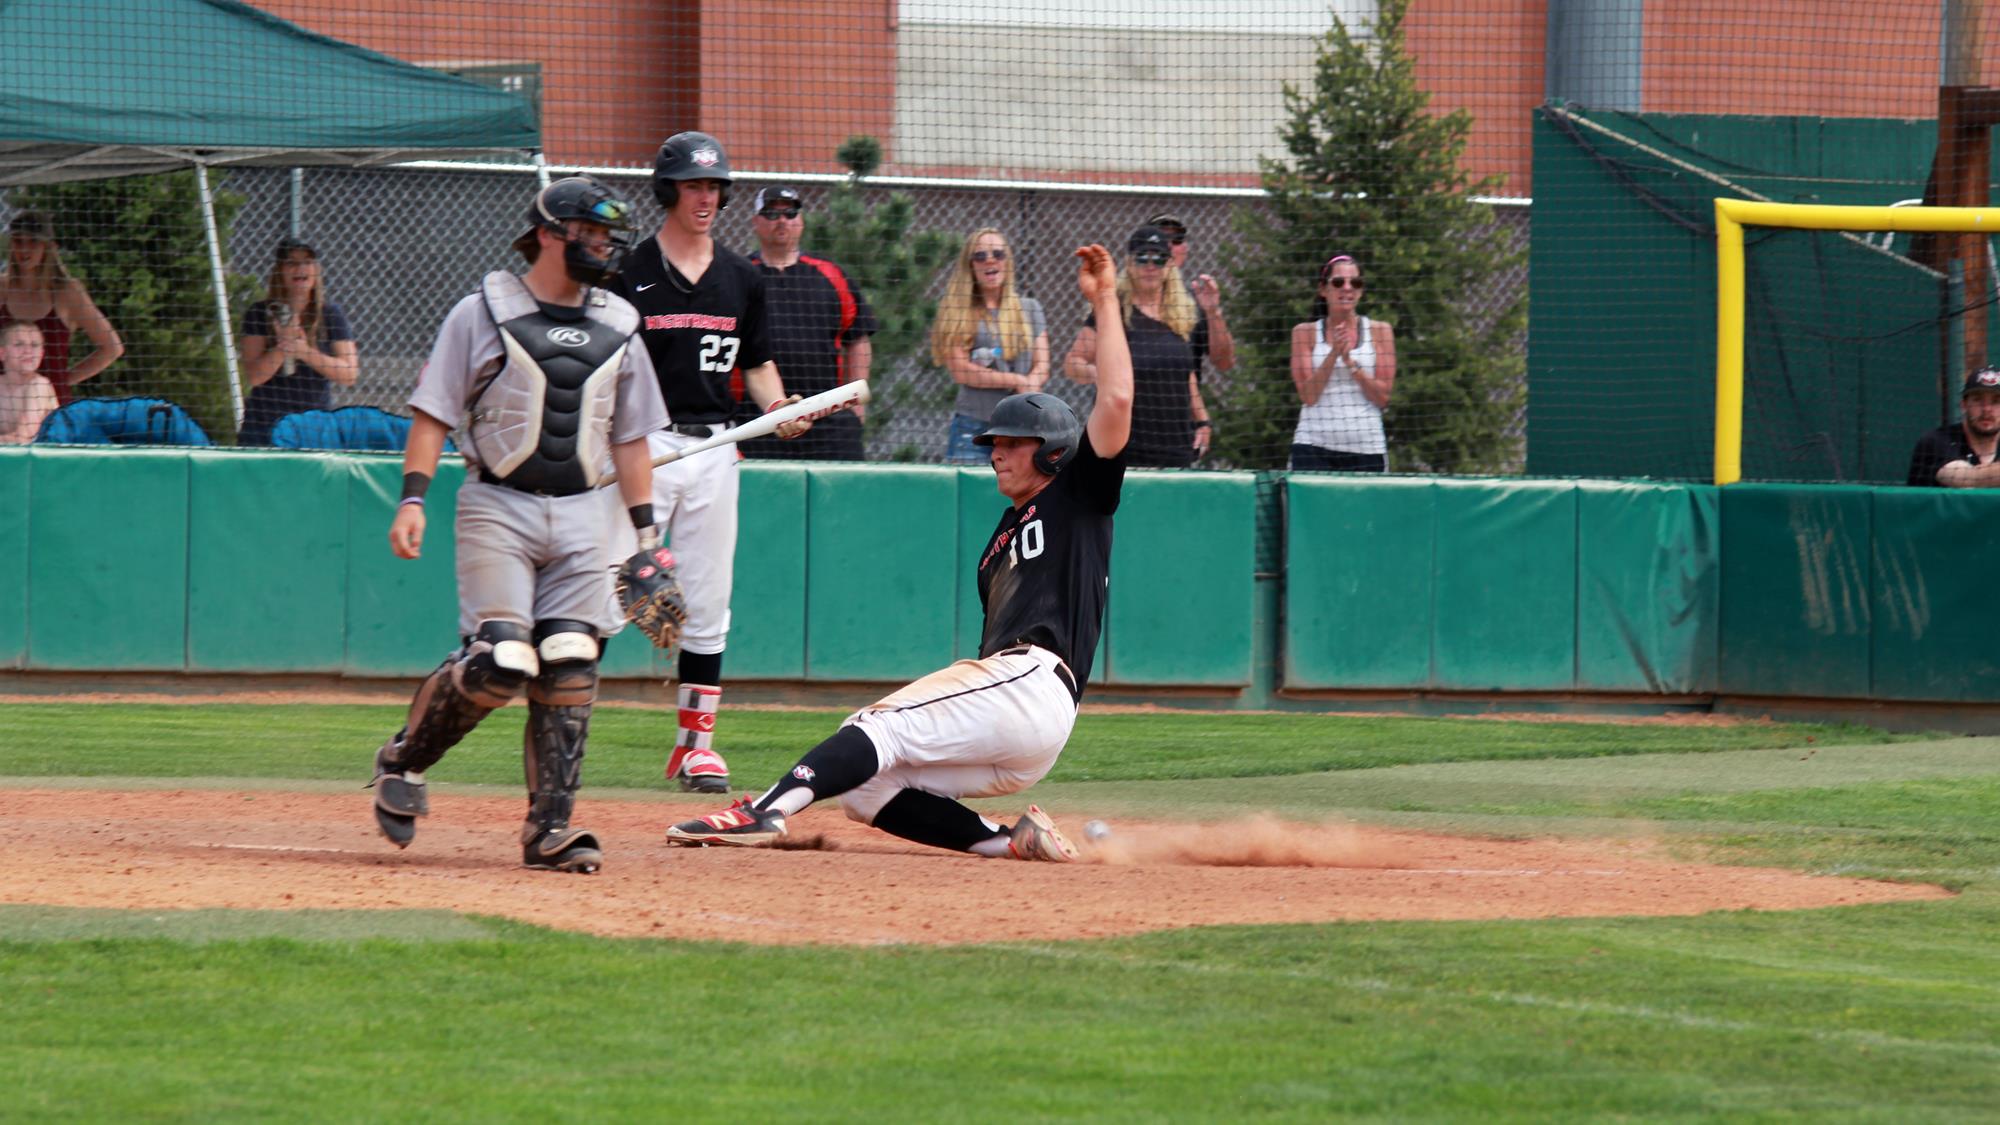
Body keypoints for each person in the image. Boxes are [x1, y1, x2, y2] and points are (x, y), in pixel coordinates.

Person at [664, 243, 1133, 862]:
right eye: (993, 440)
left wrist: (1103, 298)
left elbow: (1118, 400)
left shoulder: (1079, 496)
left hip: (1031, 682)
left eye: (1013, 442)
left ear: (1052, 450)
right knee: (869, 786)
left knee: (874, 728)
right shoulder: (998, 544)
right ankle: (1010, 842)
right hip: (1020, 716)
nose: (996, 450)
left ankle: (764, 811)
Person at [366, 176, 668, 874]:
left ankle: (551, 829)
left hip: (586, 512)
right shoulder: (482, 312)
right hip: (498, 505)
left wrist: (648, 538)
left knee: (570, 657)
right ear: (548, 234)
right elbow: (433, 414)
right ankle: (404, 758)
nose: (602, 246)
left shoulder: (621, 323)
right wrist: (412, 500)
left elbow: (630, 441)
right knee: (501, 661)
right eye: (589, 233)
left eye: (607, 235)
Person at [609, 131, 812, 795]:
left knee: (707, 601)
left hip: (717, 446)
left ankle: (695, 747)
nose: (706, 196)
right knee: (611, 594)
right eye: (694, 185)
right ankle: (567, 727)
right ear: (668, 189)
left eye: (714, 186)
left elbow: (755, 364)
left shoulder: (740, 278)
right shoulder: (629, 273)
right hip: (644, 445)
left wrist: (779, 406)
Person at [739, 185, 877, 461]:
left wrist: (854, 406)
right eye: (771, 213)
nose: (782, 220)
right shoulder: (740, 275)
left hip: (828, 420)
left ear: (800, 221)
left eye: (790, 213)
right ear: (756, 221)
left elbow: (858, 338)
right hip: (756, 420)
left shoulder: (831, 274)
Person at [1063, 226, 1211, 468]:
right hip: (1125, 444)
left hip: (1176, 445)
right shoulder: (1114, 312)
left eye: (1159, 259)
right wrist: (1102, 375)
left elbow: (1186, 375)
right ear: (1130, 265)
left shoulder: (1182, 314)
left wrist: (1203, 422)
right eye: (1142, 258)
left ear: (1170, 265)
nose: (1150, 266)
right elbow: (1073, 363)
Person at [932, 227, 1050, 464]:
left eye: (997, 253)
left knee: (1020, 500)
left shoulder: (1029, 308)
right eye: (980, 256)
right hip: (974, 428)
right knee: (969, 498)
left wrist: (1031, 384)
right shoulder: (958, 311)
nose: (990, 260)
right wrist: (1017, 381)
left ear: (1007, 261)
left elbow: (1043, 363)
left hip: (1022, 427)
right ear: (970, 265)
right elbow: (961, 370)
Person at [236, 238, 360, 446]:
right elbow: (254, 376)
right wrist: (283, 347)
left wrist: (304, 352)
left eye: (307, 262)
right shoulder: (259, 313)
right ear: (280, 271)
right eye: (292, 263)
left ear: (316, 269)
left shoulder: (329, 314)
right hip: (266, 424)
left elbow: (349, 374)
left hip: (312, 426)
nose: (300, 268)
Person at [0, 211, 124, 407]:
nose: (24, 249)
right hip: (5, 408)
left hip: (51, 410)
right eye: (18, 241)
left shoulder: (67, 292)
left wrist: (63, 380)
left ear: (48, 246)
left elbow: (112, 348)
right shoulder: (2, 289)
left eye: (32, 241)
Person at [1289, 254, 1397, 472]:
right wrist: (1333, 355)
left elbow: (1383, 397)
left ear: (1361, 290)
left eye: (1355, 283)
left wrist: (1350, 362)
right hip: (1314, 445)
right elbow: (1308, 396)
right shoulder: (1304, 333)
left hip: (1366, 447)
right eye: (1338, 282)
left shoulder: (1380, 331)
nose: (1347, 288)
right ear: (1323, 289)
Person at [1145, 211, 1236, 378]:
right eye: (1161, 238)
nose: (1170, 245)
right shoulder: (1122, 298)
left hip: (1183, 401)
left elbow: (1225, 362)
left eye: (1177, 239)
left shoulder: (1195, 301)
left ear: (1185, 250)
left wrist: (1213, 312)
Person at [1907, 366, 2000, 486]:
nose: (1986, 409)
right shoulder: (1936, 441)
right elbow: (1968, 479)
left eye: (1996, 401)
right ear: (1964, 405)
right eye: (1977, 400)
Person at [0, 321, 58, 443]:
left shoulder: (39, 385)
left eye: (35, 345)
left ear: (42, 354)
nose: (28, 351)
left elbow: (23, 438)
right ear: (2, 353)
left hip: (42, 459)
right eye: (19, 344)